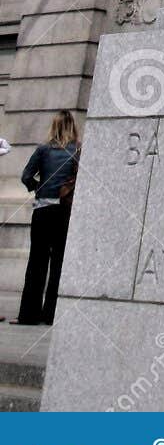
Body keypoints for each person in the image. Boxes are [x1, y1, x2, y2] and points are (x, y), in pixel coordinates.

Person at [17, 110, 81, 326]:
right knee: (59, 262)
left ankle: (29, 314)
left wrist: (38, 188)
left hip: (43, 210)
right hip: (65, 211)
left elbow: (26, 176)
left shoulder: (43, 150)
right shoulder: (78, 150)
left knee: (37, 262)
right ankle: (51, 313)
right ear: (73, 127)